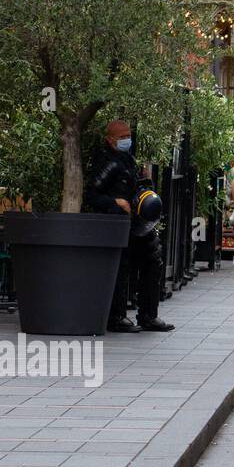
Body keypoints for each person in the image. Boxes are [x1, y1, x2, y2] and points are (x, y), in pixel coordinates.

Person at [84, 120, 172, 333]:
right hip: (117, 222)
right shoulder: (107, 162)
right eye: (122, 137)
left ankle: (149, 315)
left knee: (153, 261)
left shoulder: (127, 159)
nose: (127, 140)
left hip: (136, 221)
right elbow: (92, 194)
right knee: (121, 267)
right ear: (109, 139)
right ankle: (116, 317)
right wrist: (114, 203)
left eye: (128, 136)